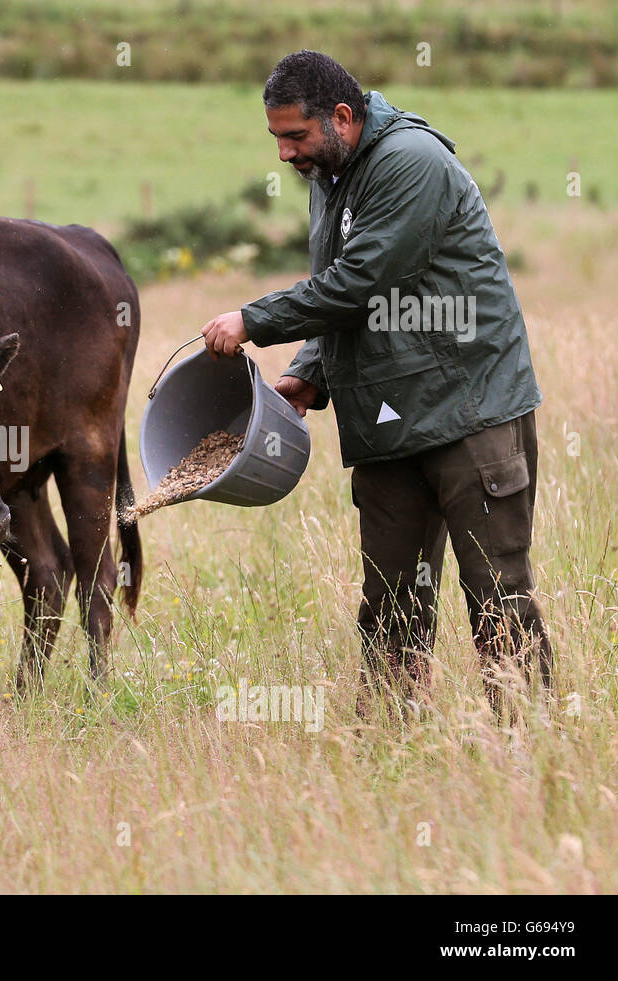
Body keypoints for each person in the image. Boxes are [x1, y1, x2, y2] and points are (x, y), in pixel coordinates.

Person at [200, 50, 551, 716]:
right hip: (390, 419)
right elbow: (347, 302)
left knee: (498, 597)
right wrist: (308, 373)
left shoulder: (410, 162)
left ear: (341, 116)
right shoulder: (329, 177)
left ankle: (531, 754)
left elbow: (362, 281)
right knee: (389, 605)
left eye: (295, 136)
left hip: (470, 411)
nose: (284, 153)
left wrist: (253, 319)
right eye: (276, 138)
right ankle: (391, 751)